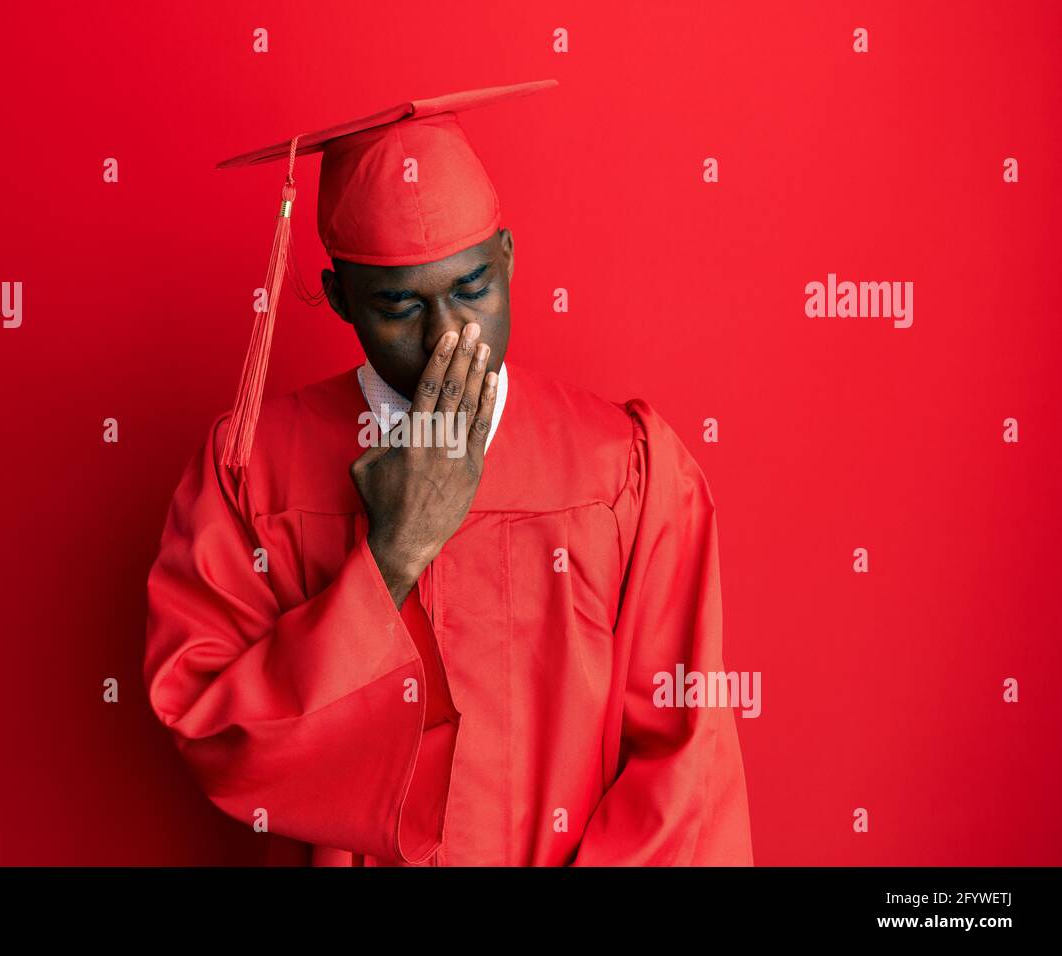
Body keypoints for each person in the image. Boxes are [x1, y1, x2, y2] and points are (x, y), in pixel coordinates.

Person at [143, 80, 754, 866]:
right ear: (340, 299)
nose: (447, 336)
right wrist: (390, 556)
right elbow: (216, 732)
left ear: (508, 258)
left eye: (473, 290)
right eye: (400, 306)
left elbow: (684, 764)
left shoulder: (624, 468)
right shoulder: (254, 471)